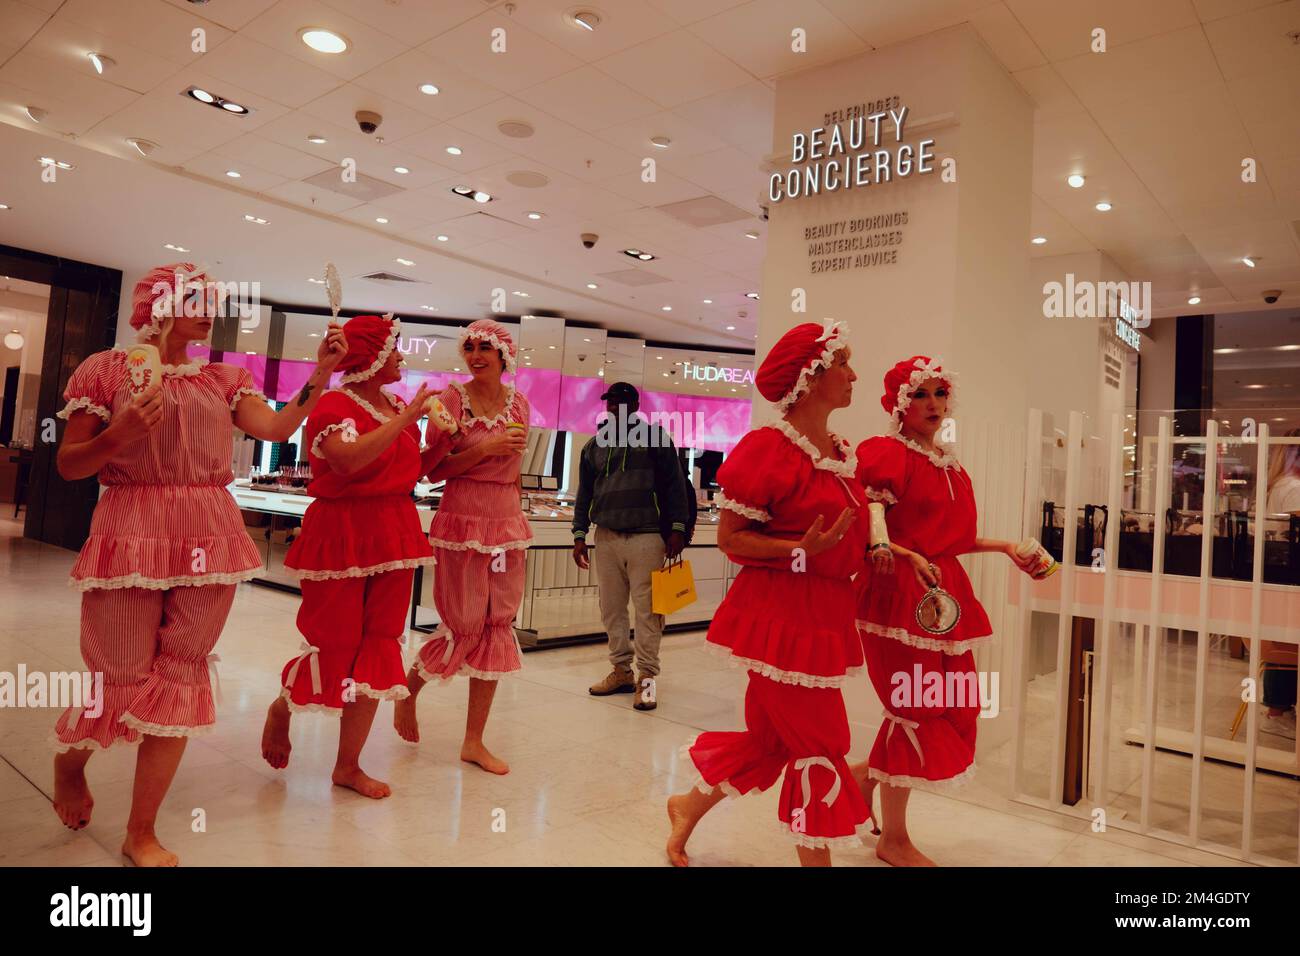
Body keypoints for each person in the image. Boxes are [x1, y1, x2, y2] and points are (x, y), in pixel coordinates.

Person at [50, 263, 346, 866]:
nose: (209, 310)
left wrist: (319, 374)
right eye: (195, 299)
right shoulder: (107, 371)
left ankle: (141, 831)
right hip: (130, 529)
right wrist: (117, 436)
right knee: (119, 676)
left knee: (182, 671)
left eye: (212, 300)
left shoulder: (223, 379)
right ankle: (71, 763)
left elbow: (280, 425)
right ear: (156, 305)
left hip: (209, 533)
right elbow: (70, 465)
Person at [666, 321, 873, 867]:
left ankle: (687, 806)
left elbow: (850, 537)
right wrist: (794, 548)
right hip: (780, 613)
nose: (854, 375)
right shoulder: (768, 448)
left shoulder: (842, 452)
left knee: (772, 741)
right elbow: (731, 538)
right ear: (809, 379)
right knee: (821, 743)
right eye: (842, 364)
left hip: (826, 611)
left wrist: (886, 553)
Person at [850, 356, 1040, 866]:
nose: (933, 404)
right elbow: (871, 529)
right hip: (898, 592)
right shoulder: (885, 455)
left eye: (939, 393)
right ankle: (893, 838)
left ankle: (863, 776)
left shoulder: (949, 464)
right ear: (898, 403)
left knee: (956, 707)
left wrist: (1006, 548)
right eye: (920, 395)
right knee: (913, 708)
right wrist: (903, 555)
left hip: (944, 593)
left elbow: (951, 540)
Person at [261, 314, 453, 797]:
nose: (403, 359)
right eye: (395, 350)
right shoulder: (333, 404)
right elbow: (347, 460)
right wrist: (409, 421)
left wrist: (442, 443)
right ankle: (280, 709)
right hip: (343, 530)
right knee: (335, 642)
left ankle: (348, 765)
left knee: (381, 643)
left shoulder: (394, 405)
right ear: (369, 357)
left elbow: (412, 469)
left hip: (394, 529)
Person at [394, 319, 530, 775]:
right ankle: (408, 693)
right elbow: (433, 469)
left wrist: (493, 455)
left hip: (505, 517)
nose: (475, 355)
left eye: (484, 348)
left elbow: (511, 462)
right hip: (462, 512)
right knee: (463, 621)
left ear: (503, 356)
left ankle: (474, 741)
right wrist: (485, 448)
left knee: (497, 623)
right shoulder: (451, 400)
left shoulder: (520, 404)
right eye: (468, 347)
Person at [573, 382, 690, 710]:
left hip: (648, 536)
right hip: (606, 537)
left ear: (636, 405)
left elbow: (674, 487)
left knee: (649, 611)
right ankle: (621, 671)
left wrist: (678, 529)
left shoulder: (656, 440)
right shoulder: (594, 446)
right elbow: (585, 494)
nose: (615, 407)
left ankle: (647, 679)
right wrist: (579, 534)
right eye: (610, 401)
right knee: (611, 609)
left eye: (622, 402)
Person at [1260, 427, 1300, 738]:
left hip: (1275, 570)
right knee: (1287, 638)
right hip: (1290, 569)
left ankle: (1276, 707)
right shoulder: (1294, 488)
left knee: (1280, 634)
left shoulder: (1277, 486)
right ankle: (1278, 708)